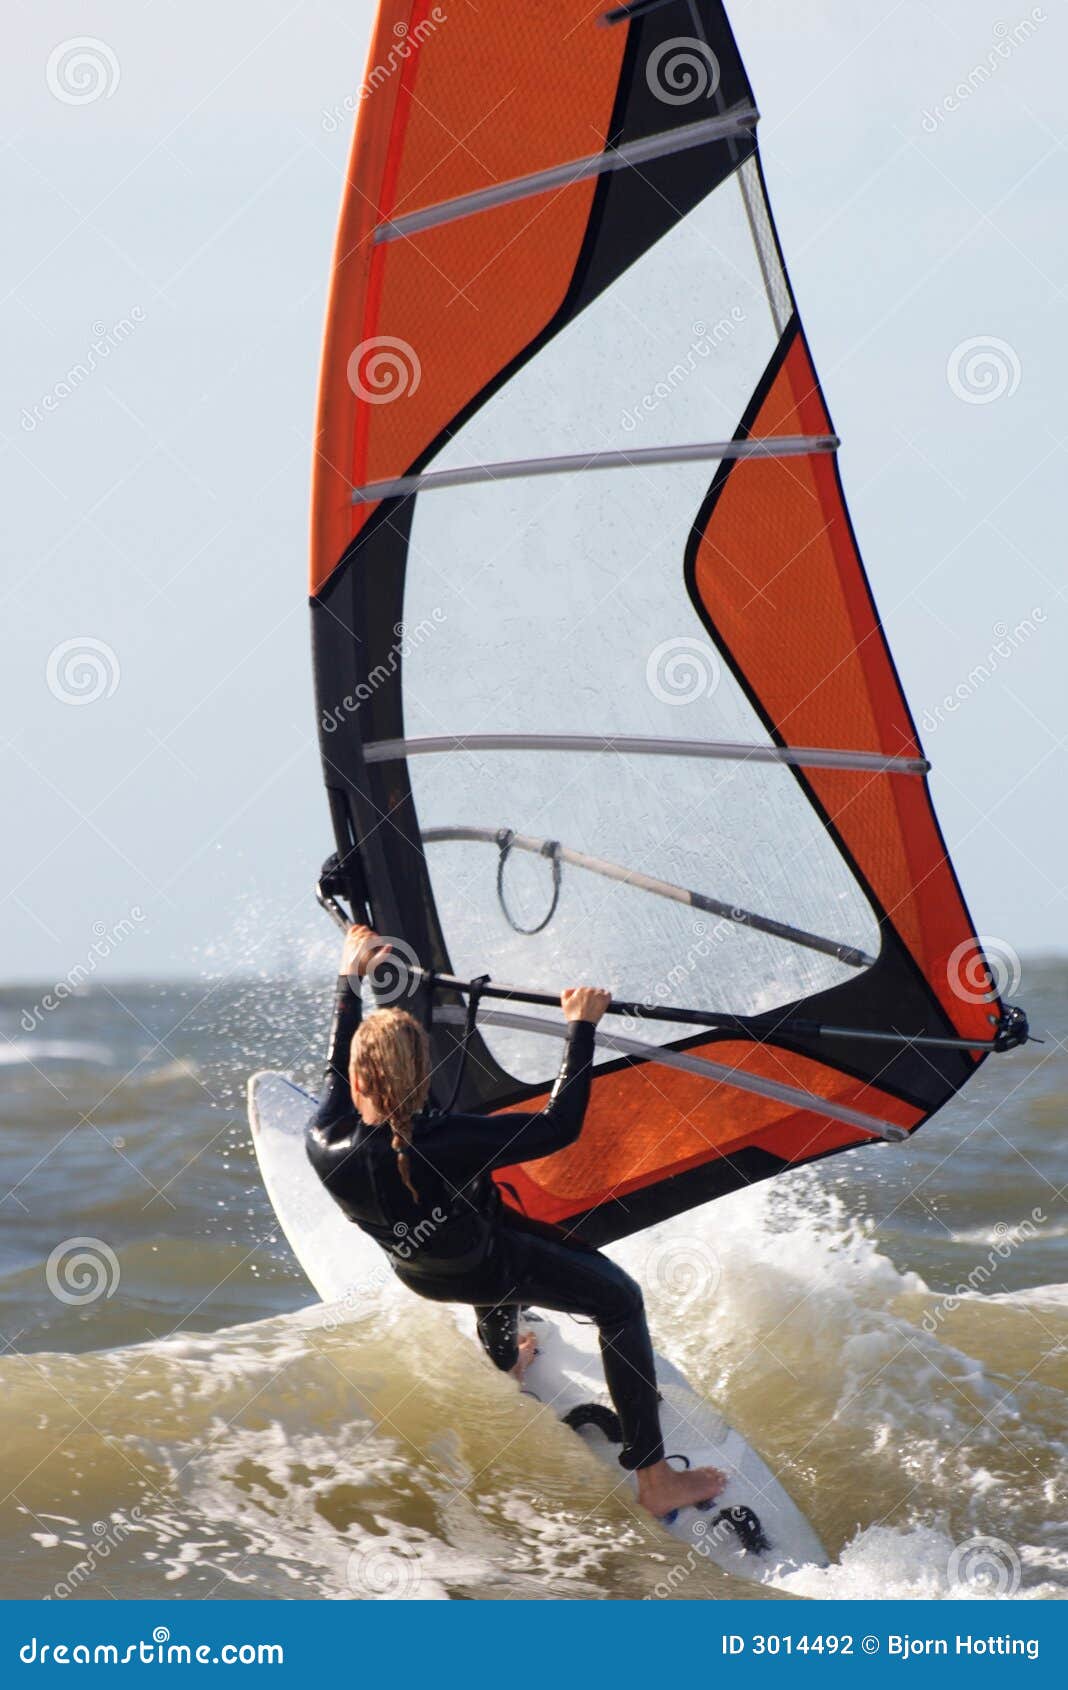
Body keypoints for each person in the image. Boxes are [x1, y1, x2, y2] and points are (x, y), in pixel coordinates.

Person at [305, 923, 727, 1520]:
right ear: (424, 1078)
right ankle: (655, 1478)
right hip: (486, 1263)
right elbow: (559, 1127)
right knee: (618, 1301)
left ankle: (505, 1364)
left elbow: (331, 1072)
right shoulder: (451, 1138)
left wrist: (348, 981)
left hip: (422, 1274)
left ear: (356, 1084)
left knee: (476, 1241)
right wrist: (580, 1028)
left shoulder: (322, 1141)